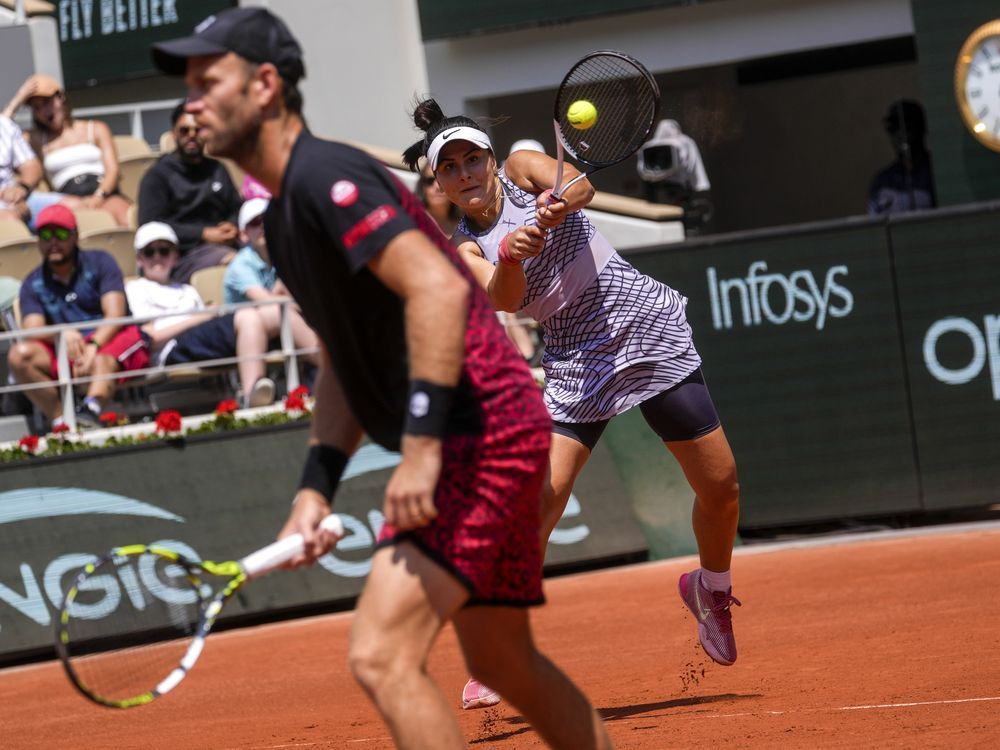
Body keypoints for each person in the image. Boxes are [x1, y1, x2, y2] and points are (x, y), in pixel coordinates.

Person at [153, 8, 614, 749]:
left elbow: (436, 291)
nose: (191, 101)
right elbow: (341, 357)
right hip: (480, 432)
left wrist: (425, 449)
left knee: (381, 654)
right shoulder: (280, 221)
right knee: (506, 662)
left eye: (209, 81)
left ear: (266, 85)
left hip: (479, 436)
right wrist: (315, 486)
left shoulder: (327, 177)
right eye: (188, 85)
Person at [402, 100, 742, 692]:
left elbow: (581, 189)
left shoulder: (524, 164)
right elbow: (505, 299)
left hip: (640, 324)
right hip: (575, 356)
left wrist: (558, 204)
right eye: (449, 168)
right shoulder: (463, 249)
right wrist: (512, 255)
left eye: (471, 159)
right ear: (441, 184)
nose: (465, 174)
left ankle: (710, 589)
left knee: (721, 486)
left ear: (488, 159)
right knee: (541, 503)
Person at [7, 204, 149, 429]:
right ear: (38, 241)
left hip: (112, 339)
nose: (53, 241)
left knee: (103, 358)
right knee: (19, 355)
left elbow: (115, 314)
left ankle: (90, 411)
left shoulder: (101, 262)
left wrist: (93, 344)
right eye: (45, 235)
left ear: (75, 236)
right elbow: (32, 329)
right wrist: (61, 333)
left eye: (61, 234)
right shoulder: (32, 282)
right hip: (68, 348)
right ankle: (61, 422)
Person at [125, 221, 276, 408]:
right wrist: (202, 317)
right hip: (171, 351)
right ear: (139, 258)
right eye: (149, 252)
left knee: (263, 317)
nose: (157, 257)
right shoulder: (134, 290)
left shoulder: (187, 289)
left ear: (176, 256)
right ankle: (251, 393)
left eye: (164, 251)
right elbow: (151, 338)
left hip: (199, 344)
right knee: (247, 316)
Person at [4, 74, 132, 227]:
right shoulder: (35, 139)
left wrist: (99, 197)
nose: (44, 111)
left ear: (61, 98)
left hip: (103, 192)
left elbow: (112, 170)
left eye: (47, 103)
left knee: (125, 217)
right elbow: (3, 133)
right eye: (37, 108)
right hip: (67, 197)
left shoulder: (96, 128)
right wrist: (17, 100)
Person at [138, 101, 242, 284]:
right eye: (185, 130)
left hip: (225, 244)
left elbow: (236, 207)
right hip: (182, 255)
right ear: (174, 134)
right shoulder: (158, 175)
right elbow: (151, 224)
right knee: (240, 264)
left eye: (198, 130)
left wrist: (232, 226)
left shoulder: (217, 169)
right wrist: (203, 233)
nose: (192, 136)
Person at [222, 198, 322, 369]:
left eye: (267, 220)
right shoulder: (241, 264)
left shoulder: (284, 255)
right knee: (280, 311)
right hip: (244, 332)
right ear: (243, 234)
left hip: (280, 328)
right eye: (255, 222)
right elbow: (268, 302)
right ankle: (332, 366)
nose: (263, 226)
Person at [867, 99, 936, 215]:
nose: (901, 135)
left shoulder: (935, 173)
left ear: (921, 129)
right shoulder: (883, 181)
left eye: (908, 126)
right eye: (894, 128)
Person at [0, 113, 42, 225]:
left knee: (71, 208)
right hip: (7, 206)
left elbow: (31, 165)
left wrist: (21, 190)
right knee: (10, 221)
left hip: (15, 196)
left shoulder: (4, 124)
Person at [414, 161, 461, 238]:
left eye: (443, 180)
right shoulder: (410, 220)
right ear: (422, 185)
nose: (437, 187)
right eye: (430, 180)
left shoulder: (467, 224)